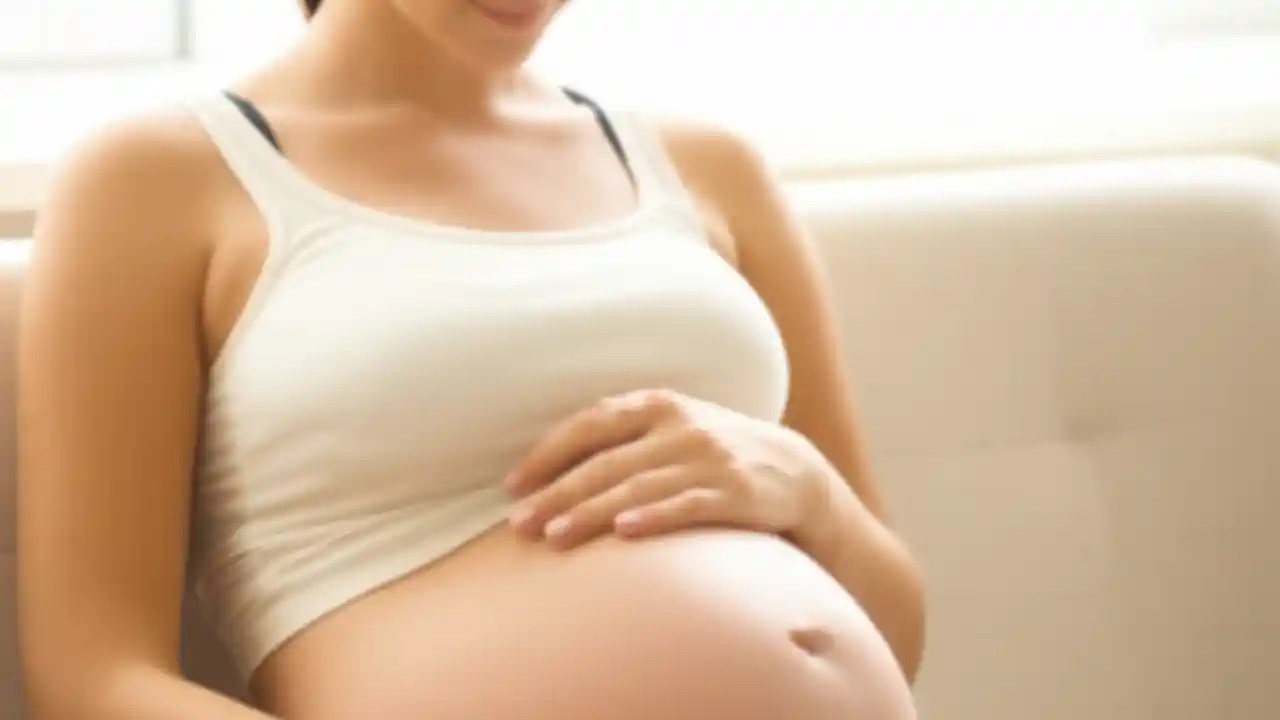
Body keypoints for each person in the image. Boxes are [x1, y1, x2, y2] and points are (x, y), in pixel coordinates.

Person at [16, 1, 926, 718]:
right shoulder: (158, 177)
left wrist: (808, 489)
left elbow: (898, 630)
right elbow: (93, 679)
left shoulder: (708, 167)